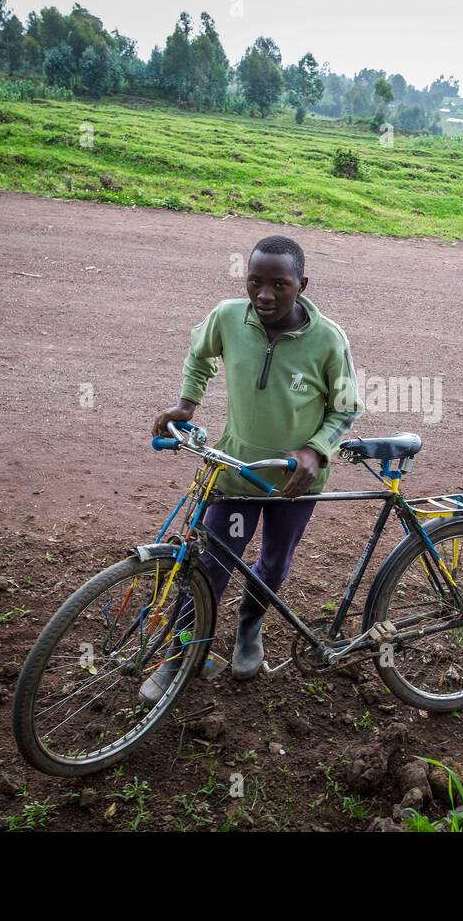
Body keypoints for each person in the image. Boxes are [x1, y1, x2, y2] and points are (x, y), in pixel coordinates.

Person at [143, 235, 362, 703]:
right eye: (255, 281)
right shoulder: (227, 317)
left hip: (293, 483)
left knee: (275, 562)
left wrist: (316, 450)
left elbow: (345, 409)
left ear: (302, 284)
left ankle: (249, 625)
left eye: (279, 284)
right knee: (210, 565)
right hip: (237, 473)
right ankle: (183, 654)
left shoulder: (328, 340)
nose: (264, 294)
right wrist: (187, 402)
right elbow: (198, 353)